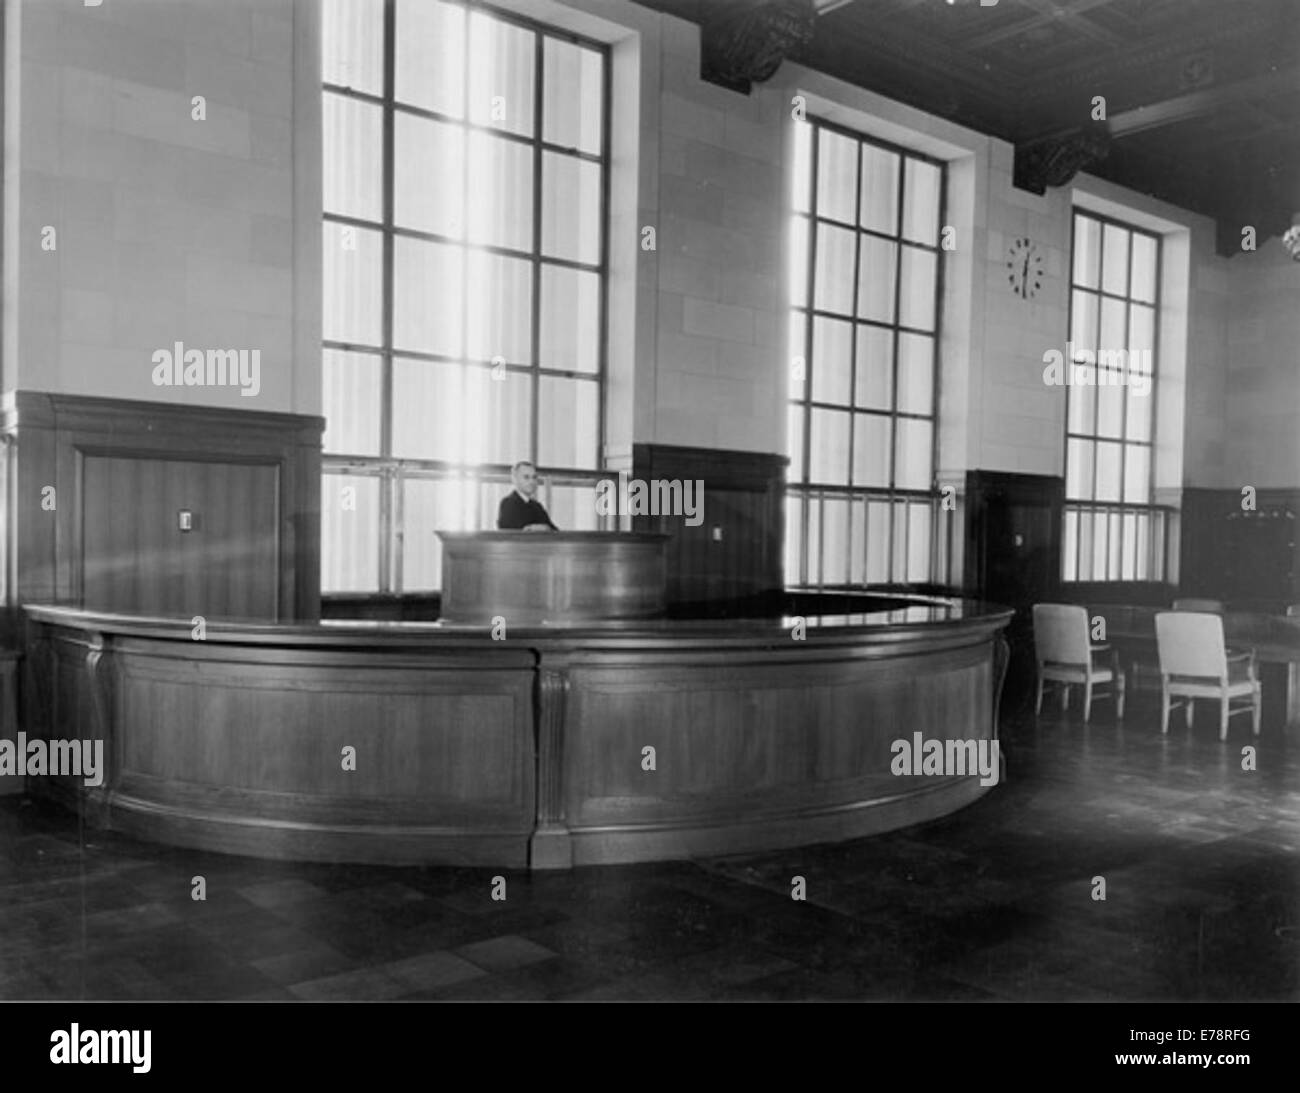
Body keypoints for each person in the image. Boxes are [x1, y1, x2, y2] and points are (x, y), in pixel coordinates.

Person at [497, 461, 558, 531]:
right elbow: (507, 533)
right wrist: (532, 528)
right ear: (514, 479)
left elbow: (555, 532)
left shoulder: (537, 506)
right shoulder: (507, 504)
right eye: (526, 477)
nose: (531, 481)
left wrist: (546, 528)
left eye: (534, 477)